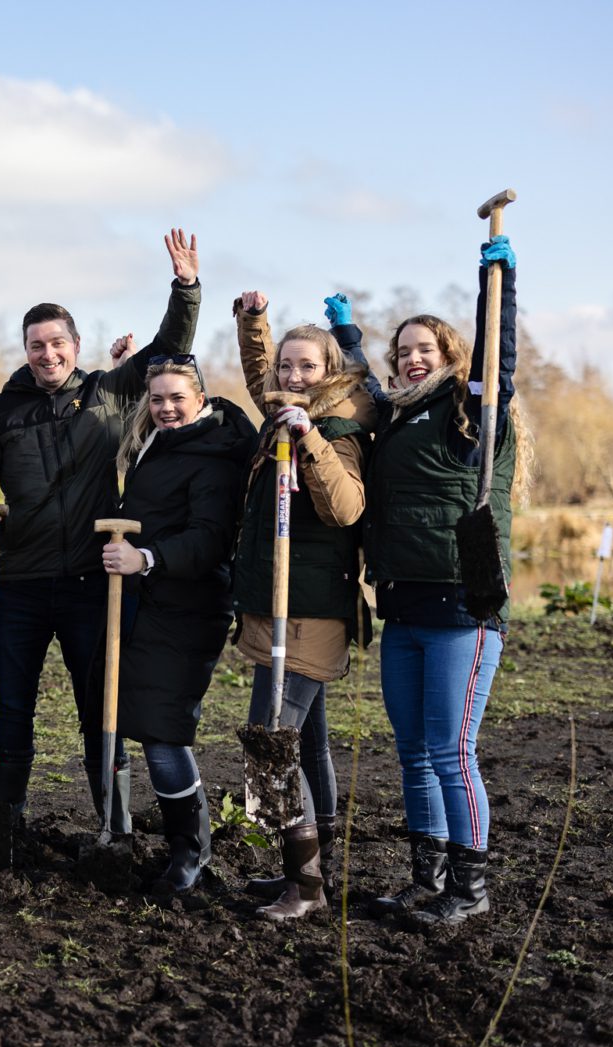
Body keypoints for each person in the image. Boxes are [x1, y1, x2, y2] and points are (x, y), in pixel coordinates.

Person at [0, 230, 202, 832]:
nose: (47, 354)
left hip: (95, 582)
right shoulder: (1, 411)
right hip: (22, 585)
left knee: (101, 711)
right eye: (36, 346)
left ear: (76, 345)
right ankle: (3, 819)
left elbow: (169, 347)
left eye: (57, 343)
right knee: (13, 708)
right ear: (26, 351)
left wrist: (187, 287)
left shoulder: (109, 393)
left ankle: (114, 827)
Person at [356, 235, 530, 925]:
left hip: (464, 605)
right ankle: (425, 878)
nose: (410, 358)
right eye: (402, 351)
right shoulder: (400, 415)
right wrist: (347, 335)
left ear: (451, 354)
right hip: (403, 607)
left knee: (451, 750)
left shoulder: (470, 413)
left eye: (423, 348)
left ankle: (470, 888)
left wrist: (497, 286)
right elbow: (369, 389)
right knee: (413, 751)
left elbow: (498, 361)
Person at [229, 293, 375, 920]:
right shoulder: (279, 412)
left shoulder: (338, 426)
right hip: (271, 604)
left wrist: (310, 439)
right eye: (285, 366)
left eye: (306, 367)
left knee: (272, 741)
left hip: (311, 610)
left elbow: (345, 509)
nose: (292, 376)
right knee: (307, 740)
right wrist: (253, 325)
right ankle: (312, 869)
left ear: (331, 371)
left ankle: (306, 886)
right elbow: (261, 366)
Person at [100, 353, 257, 893]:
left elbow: (209, 537)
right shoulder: (156, 445)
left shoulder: (212, 458)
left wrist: (146, 558)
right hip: (154, 604)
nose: (166, 408)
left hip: (191, 607)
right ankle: (185, 847)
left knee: (165, 731)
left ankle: (191, 853)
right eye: (158, 399)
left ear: (201, 401)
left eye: (177, 399)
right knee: (150, 727)